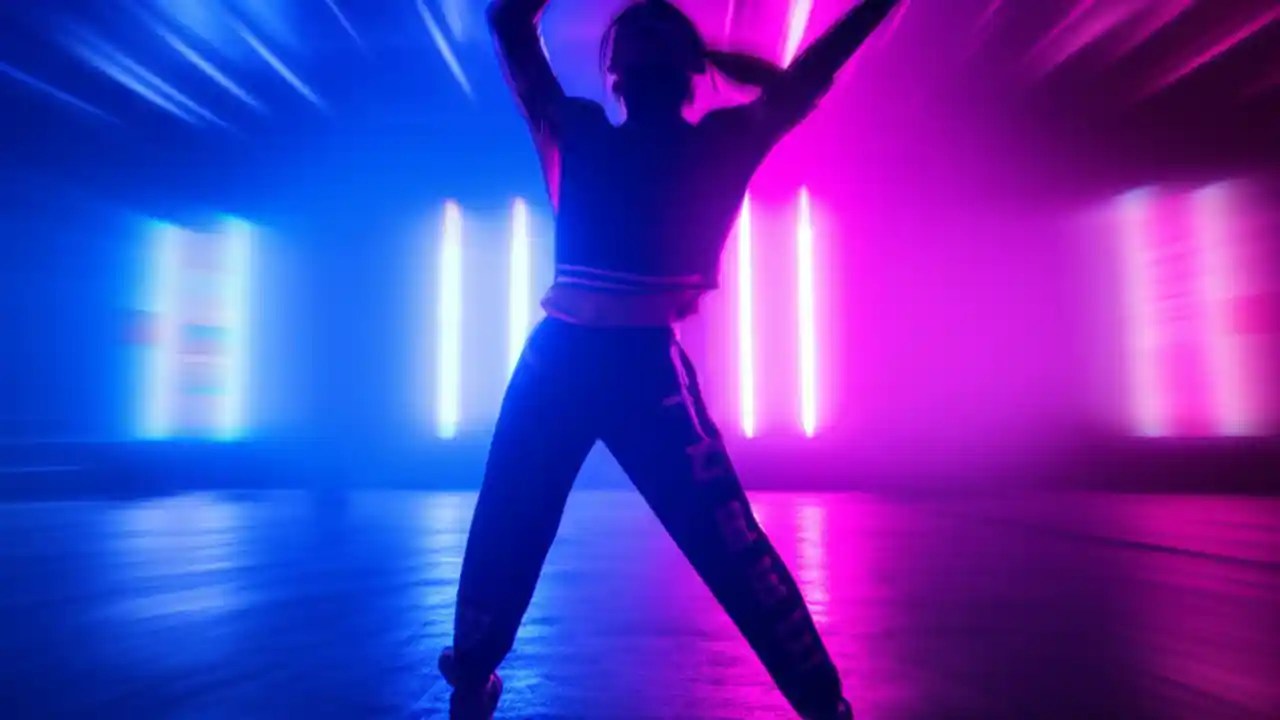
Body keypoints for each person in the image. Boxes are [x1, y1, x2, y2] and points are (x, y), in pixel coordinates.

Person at [439, 0, 902, 717]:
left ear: (616, 74)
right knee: (727, 547)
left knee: (512, 522)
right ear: (684, 74)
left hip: (571, 364)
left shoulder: (586, 133)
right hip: (627, 369)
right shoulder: (716, 141)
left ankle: (472, 680)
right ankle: (824, 705)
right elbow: (812, 75)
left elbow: (508, 23)